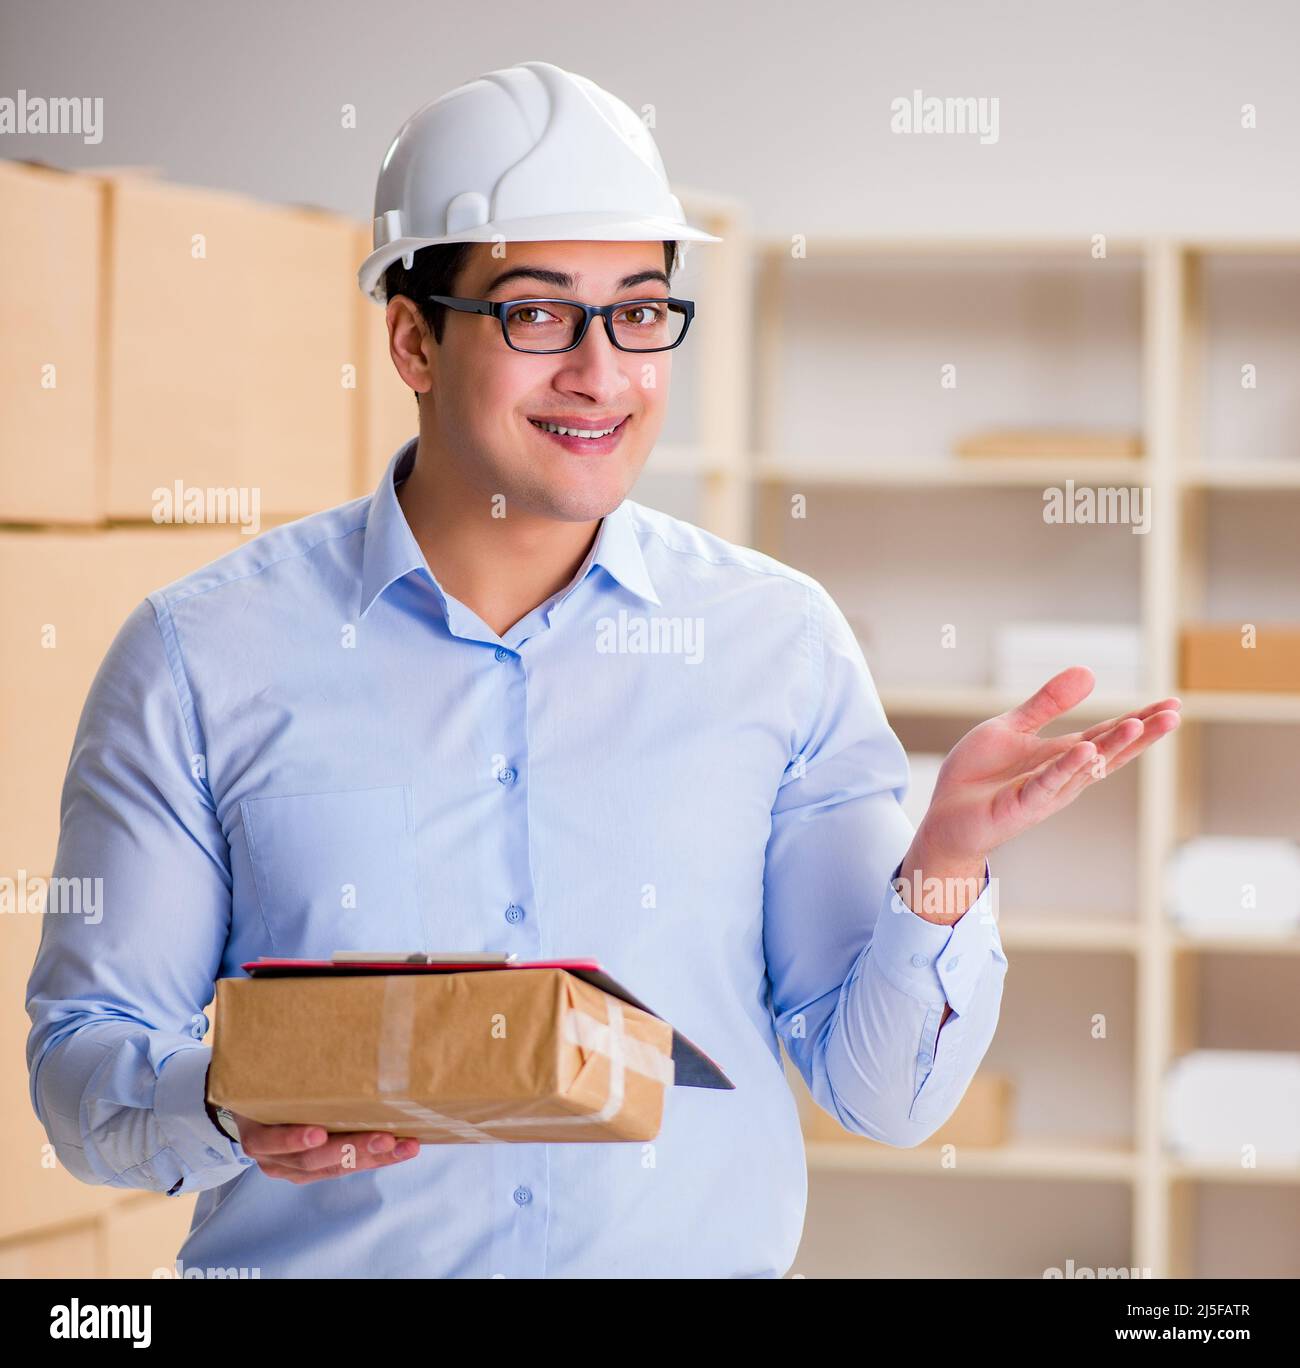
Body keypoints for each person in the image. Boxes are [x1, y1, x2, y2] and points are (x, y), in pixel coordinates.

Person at [25, 60, 1180, 1278]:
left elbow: (883, 1097)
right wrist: (225, 1101)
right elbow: (81, 1069)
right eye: (535, 313)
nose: (600, 371)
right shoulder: (203, 655)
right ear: (412, 337)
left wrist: (942, 869)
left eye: (638, 311)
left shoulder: (773, 644)